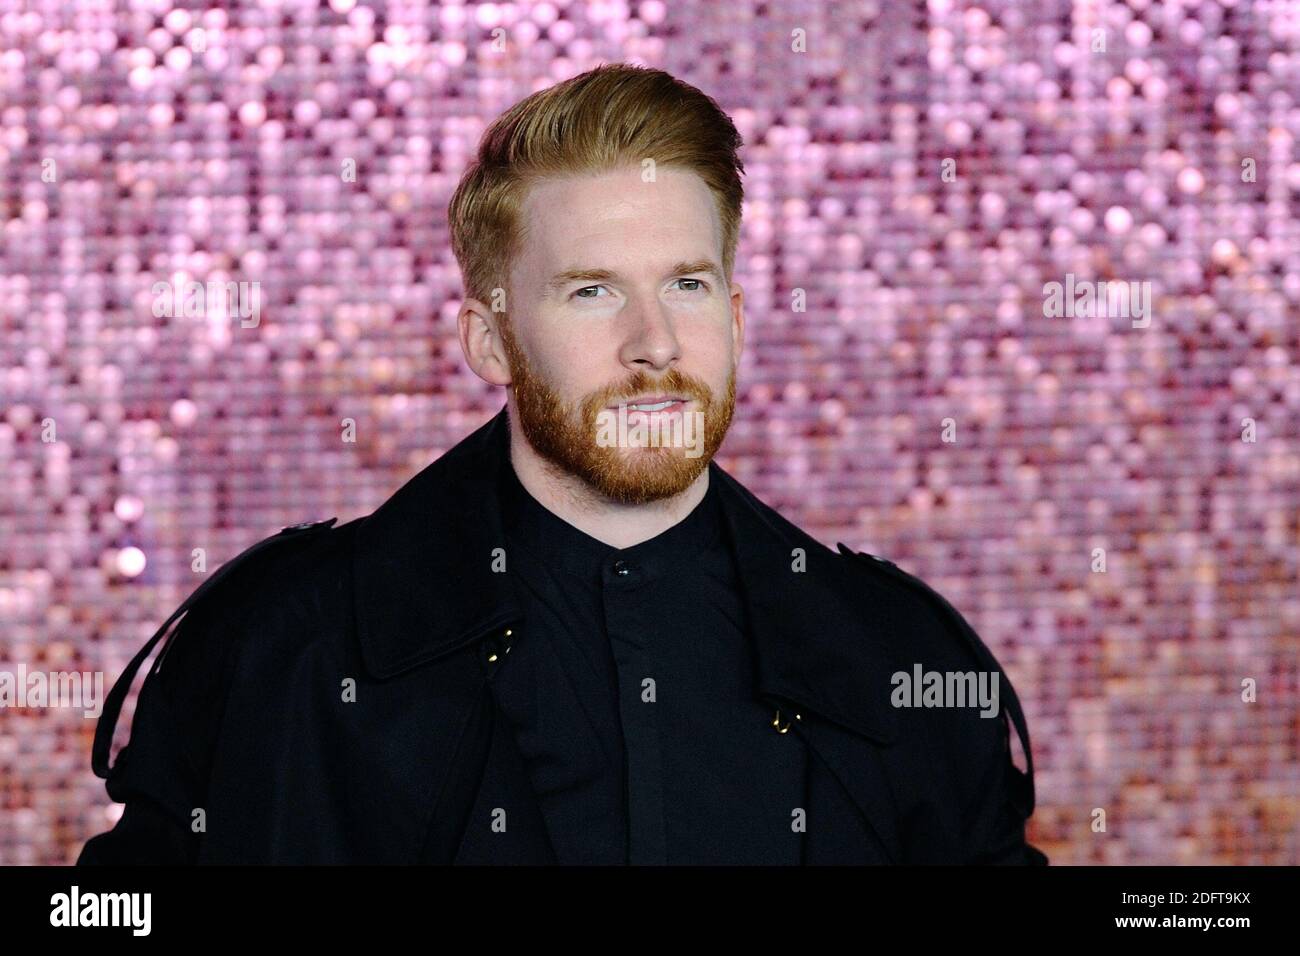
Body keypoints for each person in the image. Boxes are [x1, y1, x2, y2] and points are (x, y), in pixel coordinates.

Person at [79, 63, 1047, 865]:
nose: (655, 341)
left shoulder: (896, 660)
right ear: (490, 341)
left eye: (687, 283)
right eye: (591, 291)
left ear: (738, 317)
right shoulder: (278, 652)